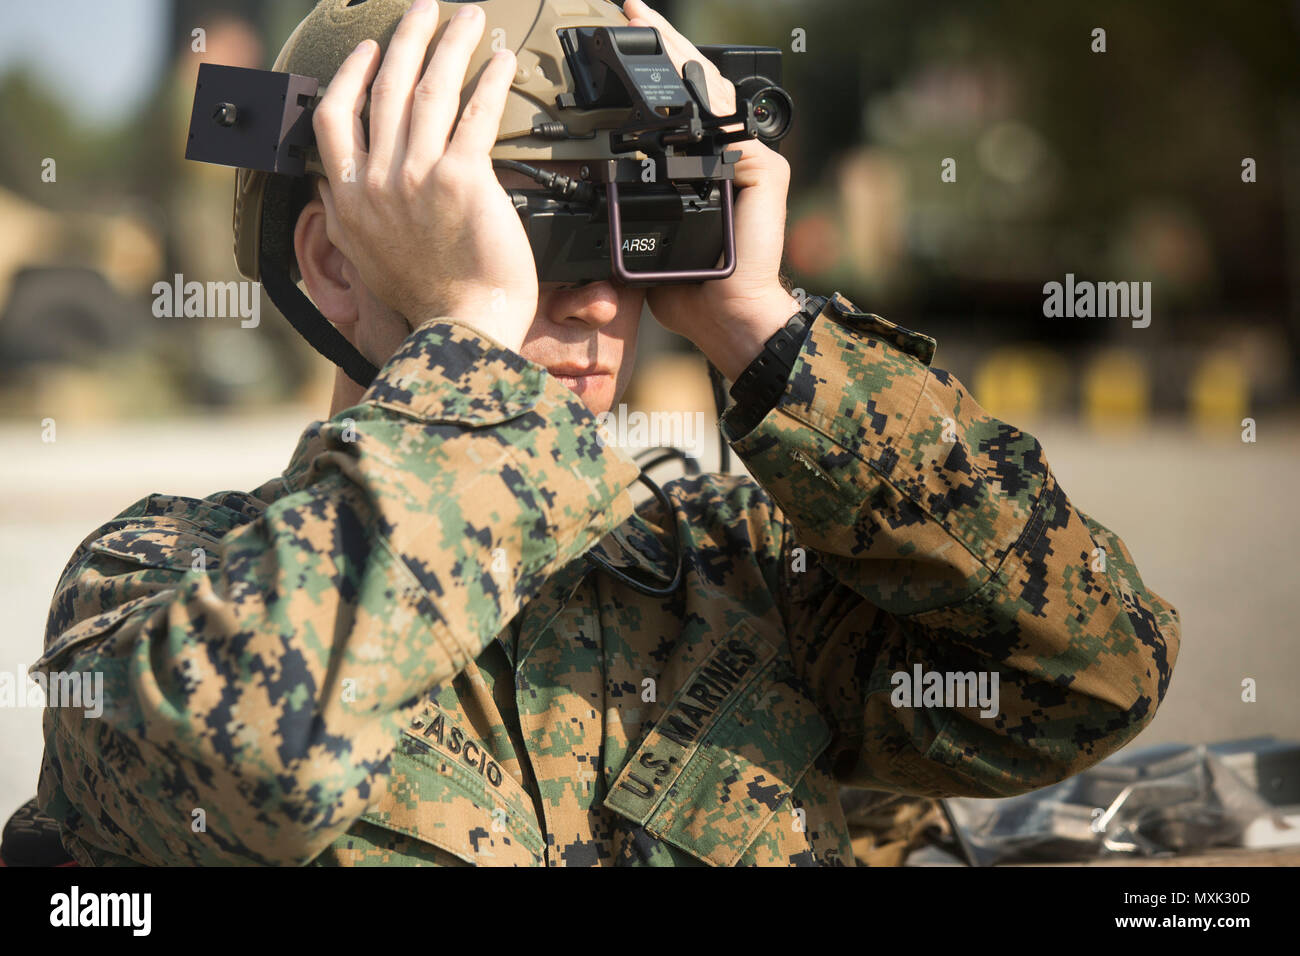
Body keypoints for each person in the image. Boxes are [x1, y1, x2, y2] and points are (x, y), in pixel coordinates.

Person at [32, 0, 1179, 867]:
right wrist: (472, 333)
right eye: (528, 229)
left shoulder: (743, 577)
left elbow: (1093, 671)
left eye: (637, 223)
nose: (594, 296)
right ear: (335, 257)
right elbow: (250, 766)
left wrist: (762, 329)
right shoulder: (160, 588)